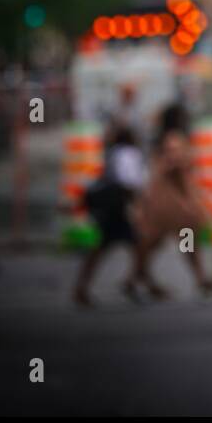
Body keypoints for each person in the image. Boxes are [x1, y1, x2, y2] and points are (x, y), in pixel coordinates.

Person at [130, 123, 212, 298]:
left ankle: (199, 279)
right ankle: (137, 279)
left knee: (172, 246)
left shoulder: (167, 163)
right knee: (155, 246)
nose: (174, 151)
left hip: (170, 216)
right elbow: (178, 183)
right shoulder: (169, 163)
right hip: (168, 215)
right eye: (171, 148)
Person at [73, 123, 147, 307]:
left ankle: (130, 282)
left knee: (110, 248)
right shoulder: (128, 154)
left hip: (112, 208)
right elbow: (130, 181)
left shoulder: (113, 152)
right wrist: (138, 205)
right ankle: (130, 282)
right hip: (118, 209)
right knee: (135, 246)